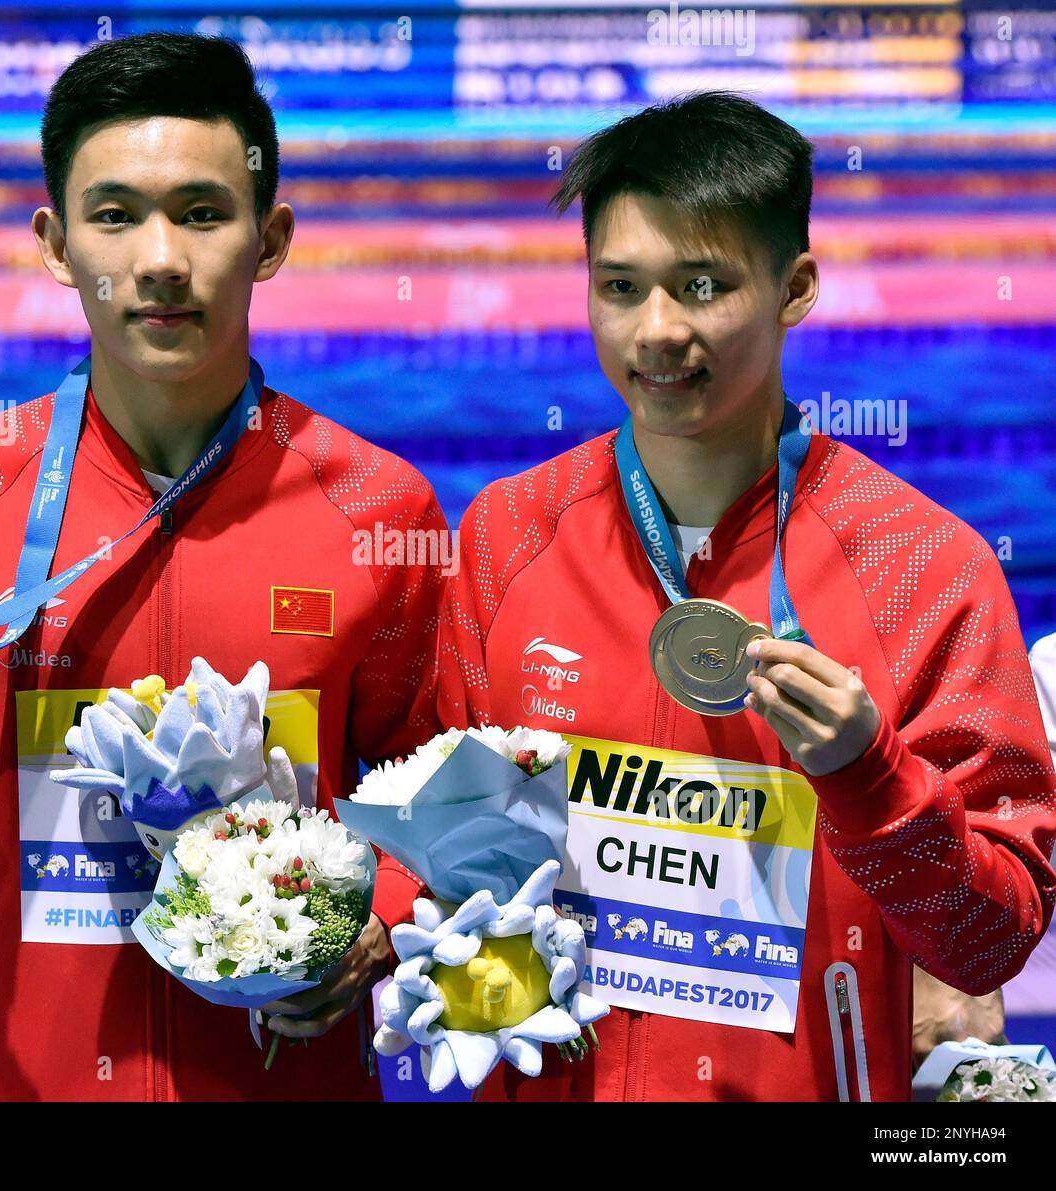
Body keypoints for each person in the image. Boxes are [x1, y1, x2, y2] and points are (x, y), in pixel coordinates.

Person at [0, 33, 445, 1101]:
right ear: (55, 241)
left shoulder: (377, 507)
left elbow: (434, 797)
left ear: (269, 241)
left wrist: (384, 927)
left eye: (204, 214)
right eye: (115, 215)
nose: (160, 258)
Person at [437, 91, 1056, 1101]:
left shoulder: (923, 568)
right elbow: (445, 845)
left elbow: (989, 940)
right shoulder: (508, 535)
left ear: (795, 287)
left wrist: (871, 780)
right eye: (620, 287)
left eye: (701, 285)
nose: (656, 330)